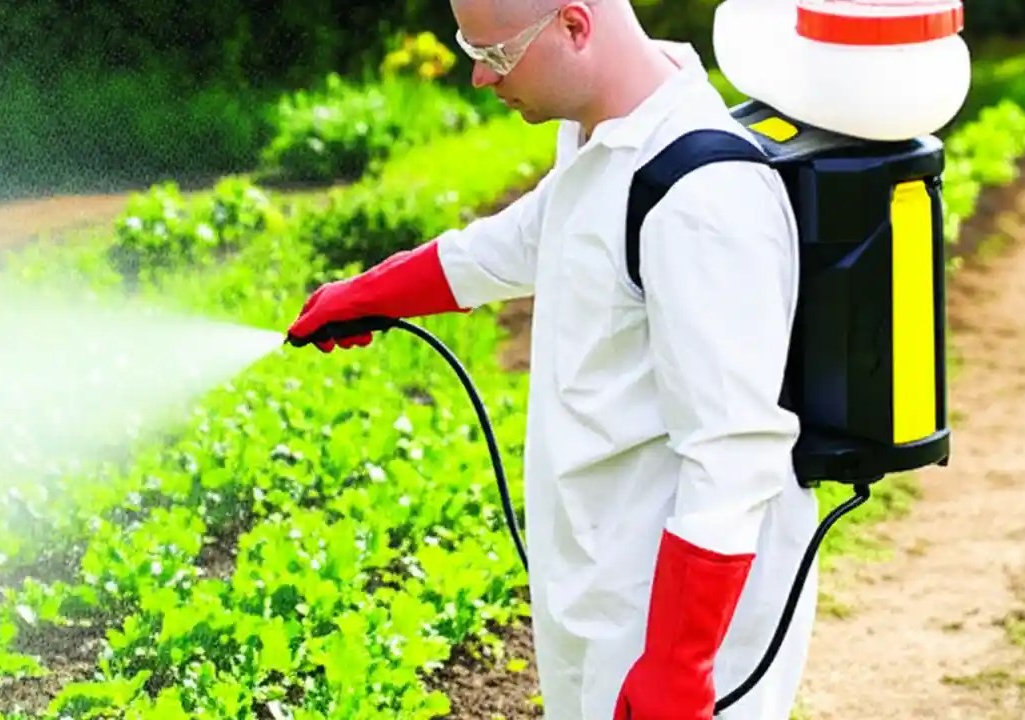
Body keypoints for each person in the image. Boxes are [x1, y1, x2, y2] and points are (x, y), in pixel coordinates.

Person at [285, 0, 820, 717]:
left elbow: (734, 454)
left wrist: (679, 663)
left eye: (497, 55)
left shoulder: (704, 197)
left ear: (574, 25)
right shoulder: (604, 137)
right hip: (605, 587)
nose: (479, 76)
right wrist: (373, 293)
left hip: (672, 615)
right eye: (468, 48)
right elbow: (534, 236)